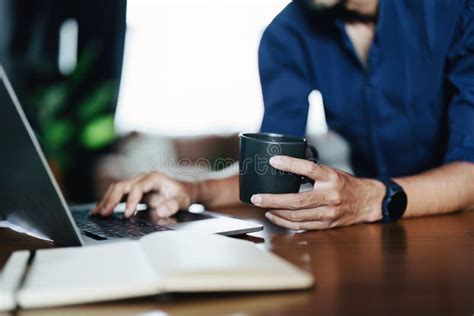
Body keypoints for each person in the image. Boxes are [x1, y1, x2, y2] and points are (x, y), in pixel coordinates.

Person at [93, 0, 474, 230]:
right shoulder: (287, 33)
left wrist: (370, 198)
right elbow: (272, 172)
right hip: (382, 232)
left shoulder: (457, 10)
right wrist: (194, 190)